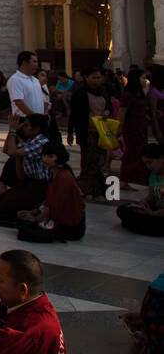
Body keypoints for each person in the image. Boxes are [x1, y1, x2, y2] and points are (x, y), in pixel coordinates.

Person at [0, 114, 53, 221]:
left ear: (36, 129)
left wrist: (13, 131)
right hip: (28, 183)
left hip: (40, 186)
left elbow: (12, 152)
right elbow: (7, 150)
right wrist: (12, 132)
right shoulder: (30, 140)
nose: (23, 127)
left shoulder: (41, 142)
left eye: (26, 125)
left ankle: (33, 210)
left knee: (0, 210)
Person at [16, 143, 85, 243]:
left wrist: (36, 219)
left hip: (70, 226)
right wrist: (33, 212)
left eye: (50, 156)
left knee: (26, 230)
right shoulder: (56, 174)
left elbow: (54, 205)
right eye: (44, 155)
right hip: (59, 219)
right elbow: (49, 202)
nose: (46, 159)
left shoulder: (64, 177)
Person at [67, 67, 113, 197]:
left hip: (101, 132)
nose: (96, 80)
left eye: (98, 77)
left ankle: (97, 188)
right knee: (89, 161)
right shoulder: (80, 93)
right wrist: (70, 132)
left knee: (100, 160)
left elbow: (110, 106)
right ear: (86, 78)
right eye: (93, 77)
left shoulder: (103, 91)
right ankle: (86, 188)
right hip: (87, 132)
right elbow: (74, 114)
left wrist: (107, 112)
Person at [116, 143, 164, 236]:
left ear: (162, 159)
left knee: (149, 223)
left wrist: (153, 214)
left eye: (150, 162)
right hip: (156, 210)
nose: (148, 166)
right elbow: (152, 196)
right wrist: (144, 202)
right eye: (146, 163)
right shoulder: (153, 175)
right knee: (123, 209)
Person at [117, 68, 152, 187]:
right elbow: (122, 112)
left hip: (141, 127)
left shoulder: (140, 92)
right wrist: (120, 127)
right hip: (131, 128)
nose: (145, 80)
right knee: (131, 153)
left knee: (140, 153)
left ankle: (138, 178)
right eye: (143, 78)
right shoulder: (128, 94)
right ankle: (124, 179)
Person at [7, 51, 47, 129]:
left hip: (39, 120)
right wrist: (33, 117)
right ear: (24, 63)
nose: (36, 65)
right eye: (34, 62)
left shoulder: (35, 80)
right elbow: (19, 101)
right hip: (25, 121)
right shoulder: (15, 80)